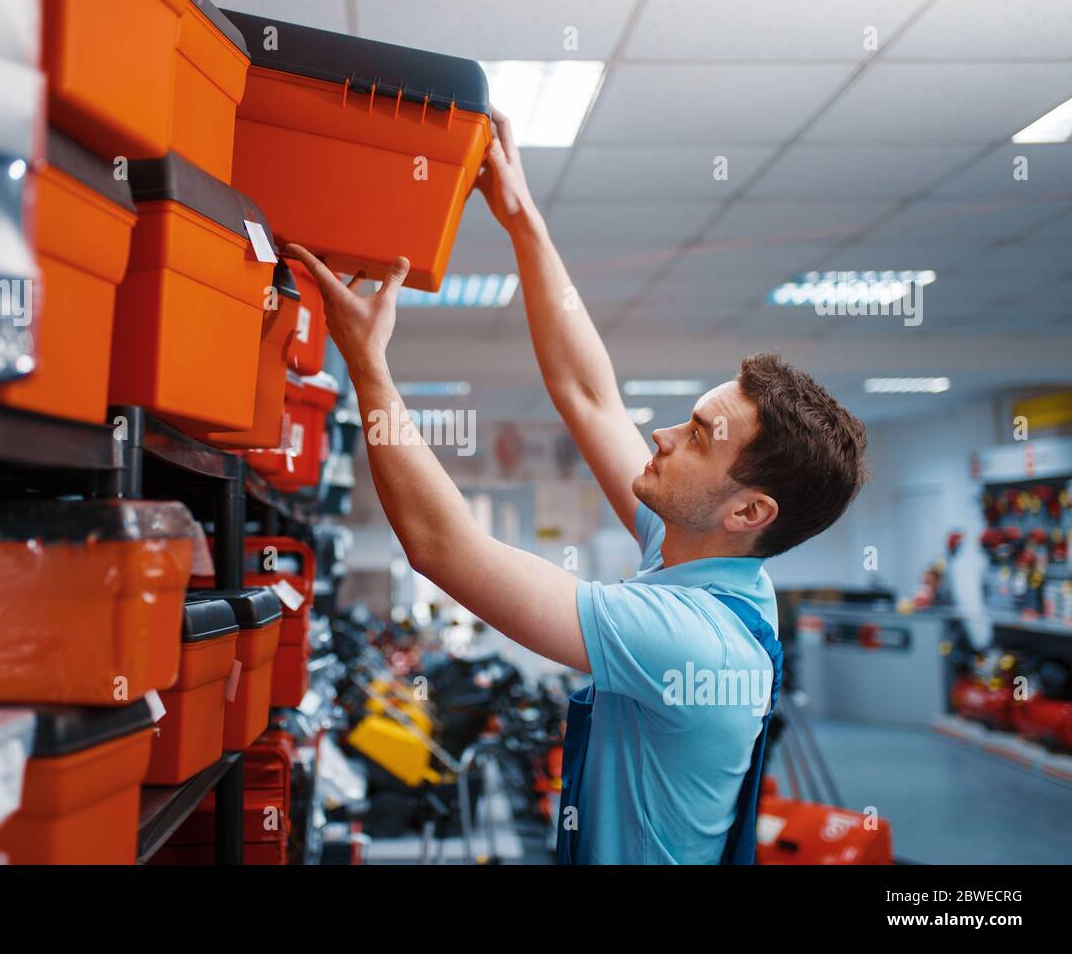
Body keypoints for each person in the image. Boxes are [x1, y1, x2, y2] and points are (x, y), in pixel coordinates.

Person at [285, 109, 869, 865]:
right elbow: (589, 395)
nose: (661, 435)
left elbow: (440, 546)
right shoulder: (709, 561)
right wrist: (522, 216)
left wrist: (367, 366)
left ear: (749, 509)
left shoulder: (687, 636)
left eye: (697, 436)